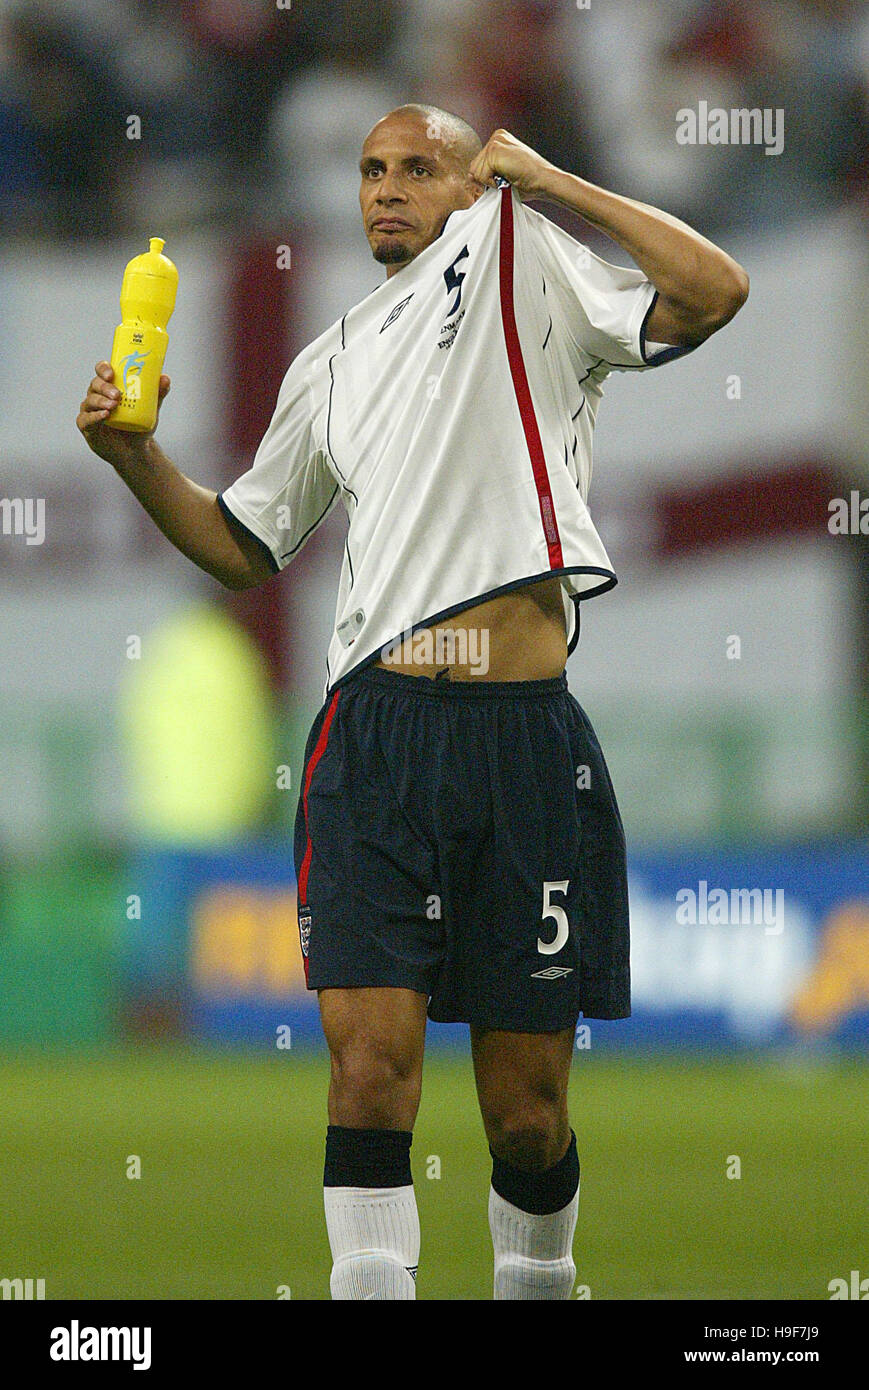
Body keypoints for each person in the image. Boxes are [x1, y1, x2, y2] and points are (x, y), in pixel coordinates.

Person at [77, 104, 748, 1300]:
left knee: (526, 1116)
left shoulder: (523, 253)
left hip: (523, 738)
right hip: (377, 731)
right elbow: (244, 542)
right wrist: (136, 457)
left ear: (471, 178)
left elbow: (713, 290)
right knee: (368, 1075)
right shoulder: (328, 359)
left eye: (417, 167)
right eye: (370, 170)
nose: (387, 188)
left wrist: (549, 185)